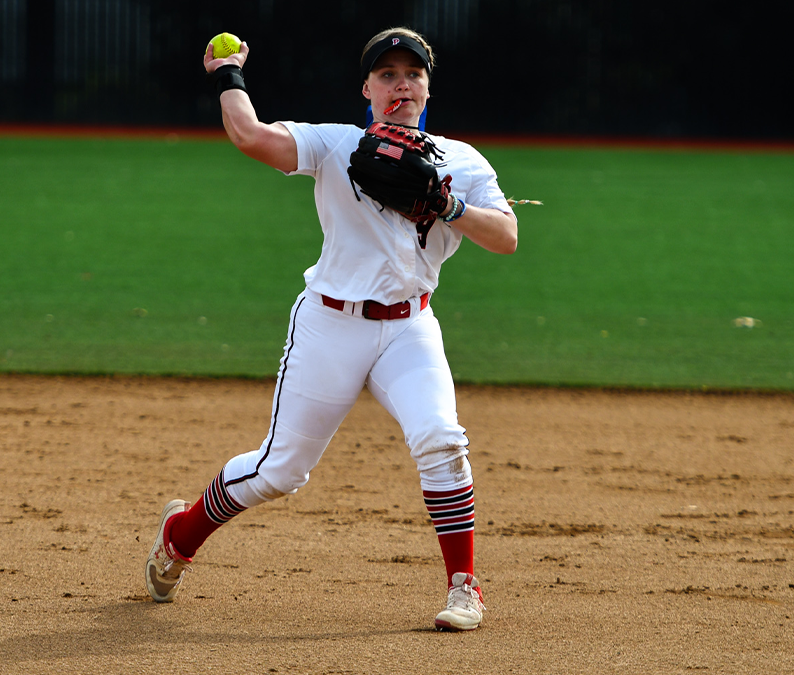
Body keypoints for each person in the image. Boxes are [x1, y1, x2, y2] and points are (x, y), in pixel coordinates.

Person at [144, 27, 518, 632]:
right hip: (329, 325)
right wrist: (228, 75)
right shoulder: (338, 145)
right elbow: (250, 136)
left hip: (410, 328)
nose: (401, 85)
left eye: (413, 74)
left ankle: (463, 587)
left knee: (441, 438)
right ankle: (180, 534)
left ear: (428, 87)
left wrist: (447, 205)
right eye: (388, 75)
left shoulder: (462, 161)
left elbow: (506, 237)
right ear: (367, 88)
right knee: (280, 471)